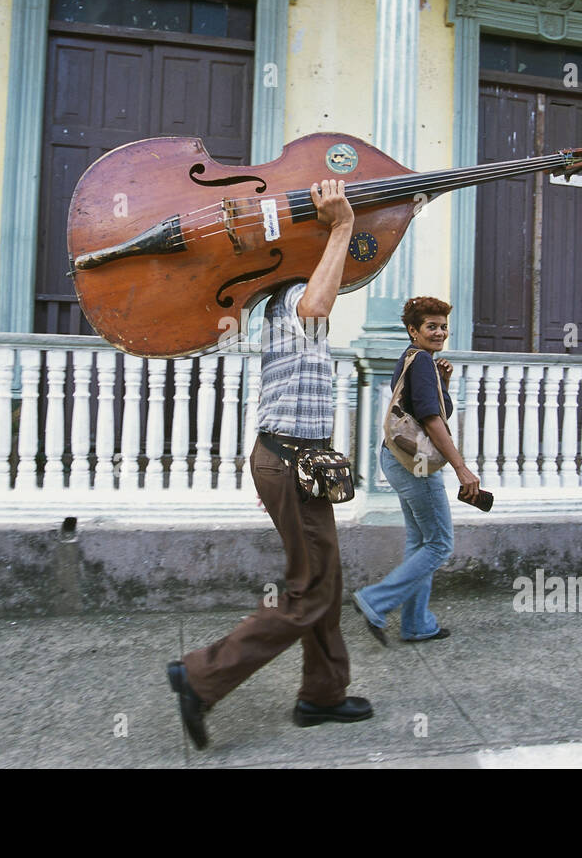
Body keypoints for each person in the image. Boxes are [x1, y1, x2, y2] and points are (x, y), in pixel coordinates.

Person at [167, 179, 372, 750]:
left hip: (299, 463)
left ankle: (322, 696)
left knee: (324, 583)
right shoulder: (288, 297)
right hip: (288, 462)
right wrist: (344, 226)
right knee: (309, 593)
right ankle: (201, 675)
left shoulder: (291, 295)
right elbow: (318, 305)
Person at [352, 297, 479, 645]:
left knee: (420, 540)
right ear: (413, 330)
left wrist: (444, 384)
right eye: (431, 326)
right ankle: (375, 600)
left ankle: (416, 624)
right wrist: (461, 467)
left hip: (397, 458)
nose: (439, 332)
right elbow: (431, 419)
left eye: (442, 327)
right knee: (439, 544)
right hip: (415, 464)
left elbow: (432, 409)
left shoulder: (416, 361)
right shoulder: (421, 361)